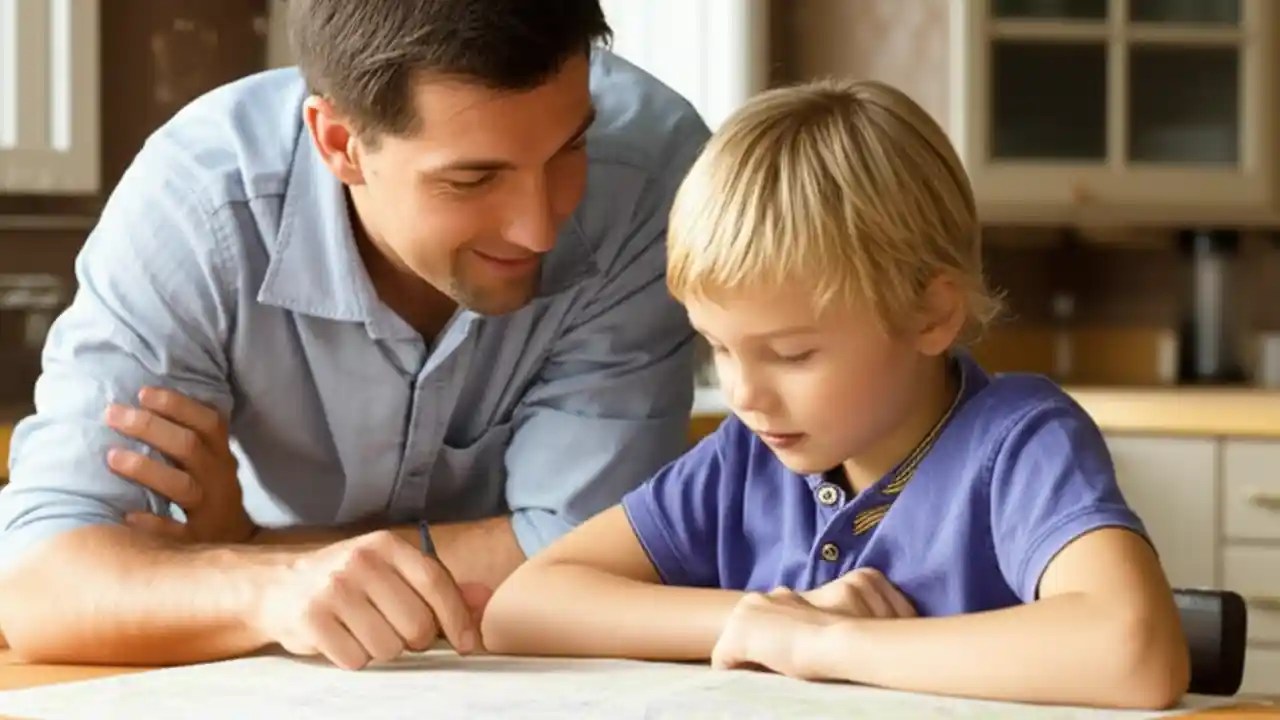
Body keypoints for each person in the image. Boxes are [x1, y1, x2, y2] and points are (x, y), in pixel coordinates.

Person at [0, 0, 709, 671]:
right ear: (339, 143)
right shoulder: (198, 203)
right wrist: (269, 590)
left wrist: (240, 554)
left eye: (569, 149)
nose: (539, 226)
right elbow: (39, 581)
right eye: (473, 179)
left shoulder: (653, 178)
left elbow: (596, 559)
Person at [479, 79, 1191, 710]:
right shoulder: (743, 461)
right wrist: (763, 619)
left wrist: (827, 645)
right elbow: (523, 610)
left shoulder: (1018, 442)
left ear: (930, 315)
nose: (744, 394)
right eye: (719, 348)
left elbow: (1134, 651)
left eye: (791, 354)